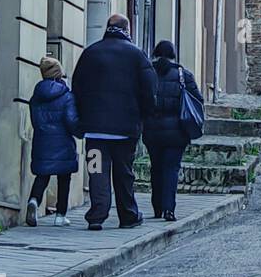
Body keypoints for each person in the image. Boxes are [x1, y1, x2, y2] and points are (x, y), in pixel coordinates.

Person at [71, 14, 156, 231]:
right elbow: (149, 91)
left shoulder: (90, 53)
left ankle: (97, 215)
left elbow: (76, 88)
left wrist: (82, 119)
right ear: (127, 30)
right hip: (125, 130)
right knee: (124, 172)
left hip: (94, 131)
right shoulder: (137, 55)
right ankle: (128, 215)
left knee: (96, 171)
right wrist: (144, 117)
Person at [143, 40, 205, 221]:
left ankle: (157, 207)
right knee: (171, 169)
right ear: (173, 55)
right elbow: (197, 99)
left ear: (155, 53)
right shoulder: (183, 75)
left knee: (156, 168)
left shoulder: (148, 74)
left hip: (152, 130)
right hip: (177, 131)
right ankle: (169, 209)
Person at [26, 56, 79, 227]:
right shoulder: (67, 95)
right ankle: (60, 215)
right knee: (64, 178)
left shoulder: (36, 96)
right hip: (63, 142)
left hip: (42, 141)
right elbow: (71, 120)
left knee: (43, 175)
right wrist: (79, 132)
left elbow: (35, 121)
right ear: (59, 74)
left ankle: (34, 200)